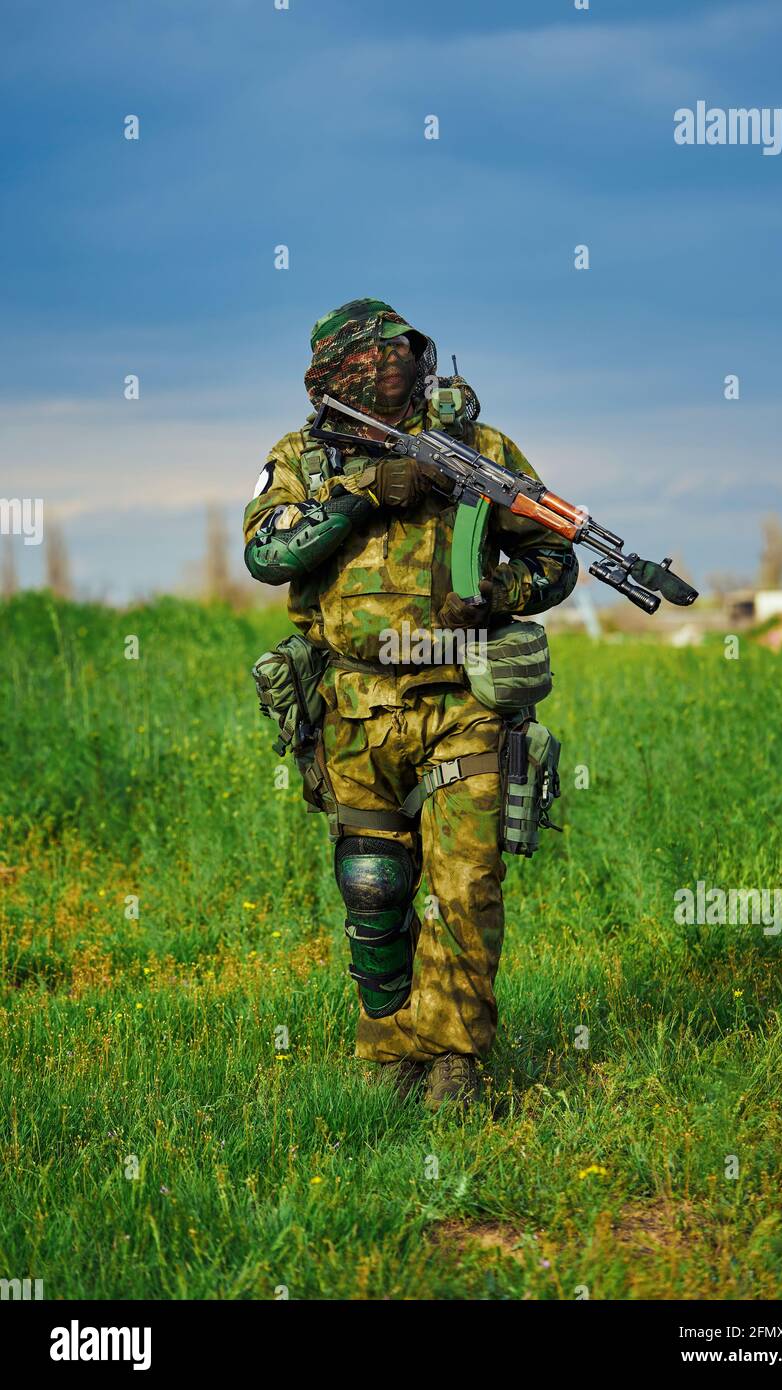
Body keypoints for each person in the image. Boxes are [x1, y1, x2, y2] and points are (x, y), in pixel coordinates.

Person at [243, 298, 577, 1108]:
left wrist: (498, 590)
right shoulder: (304, 455)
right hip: (353, 706)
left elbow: (555, 558)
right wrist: (366, 493)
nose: (393, 366)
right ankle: (392, 1052)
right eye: (374, 355)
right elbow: (266, 551)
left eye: (402, 352)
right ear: (340, 368)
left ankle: (456, 1061)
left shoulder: (480, 449)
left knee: (466, 883)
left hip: (461, 695)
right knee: (374, 886)